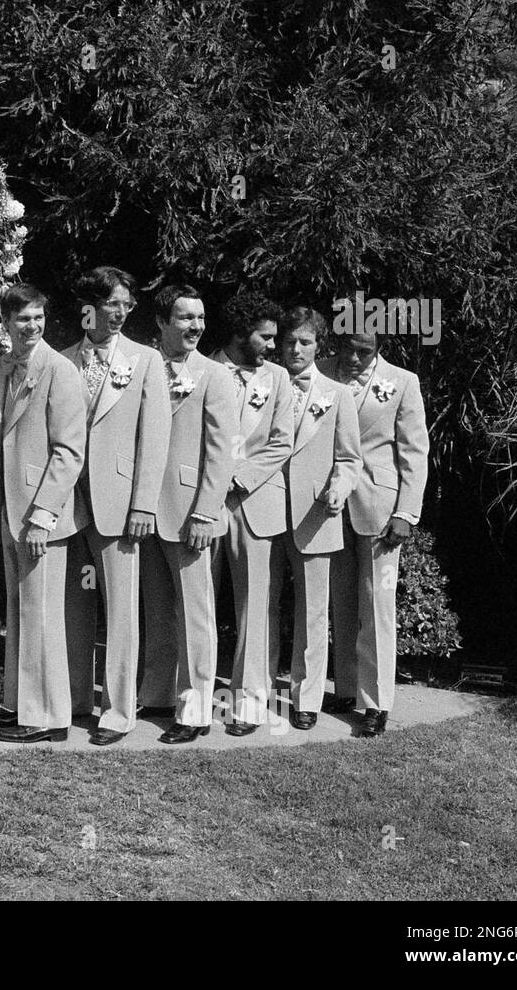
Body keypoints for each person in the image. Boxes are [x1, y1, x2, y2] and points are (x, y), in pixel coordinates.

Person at [60, 267, 170, 746]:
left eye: (127, 304)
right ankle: (74, 699)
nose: (121, 313)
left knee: (122, 609)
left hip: (120, 503)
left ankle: (118, 712)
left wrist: (143, 503)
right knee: (74, 604)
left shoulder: (145, 360)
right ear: (89, 307)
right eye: (112, 304)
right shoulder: (62, 360)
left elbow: (156, 437)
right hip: (69, 502)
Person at [0, 283, 87, 744]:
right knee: (21, 608)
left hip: (42, 515)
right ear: (6, 323)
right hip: (8, 505)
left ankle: (49, 718)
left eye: (38, 318)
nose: (32, 326)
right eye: (23, 319)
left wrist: (44, 515)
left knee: (42, 613)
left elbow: (69, 452)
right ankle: (24, 704)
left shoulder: (59, 370)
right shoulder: (3, 368)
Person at [137, 284, 236, 744]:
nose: (195, 326)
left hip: (188, 510)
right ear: (161, 322)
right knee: (156, 608)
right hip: (140, 508)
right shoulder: (141, 364)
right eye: (184, 318)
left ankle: (195, 710)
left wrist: (205, 513)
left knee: (195, 612)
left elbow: (220, 454)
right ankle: (156, 693)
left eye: (200, 317)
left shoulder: (215, 376)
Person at [318, 329, 428, 737]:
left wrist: (406, 512)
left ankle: (377, 702)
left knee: (377, 604)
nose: (353, 358)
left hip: (379, 509)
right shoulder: (319, 372)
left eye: (364, 352)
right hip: (327, 504)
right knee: (340, 599)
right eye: (347, 348)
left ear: (379, 349)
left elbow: (415, 453)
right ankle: (346, 688)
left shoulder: (402, 382)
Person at [268, 307, 361, 729]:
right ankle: (255, 690)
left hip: (315, 514)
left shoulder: (337, 394)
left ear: (318, 346)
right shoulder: (262, 384)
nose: (296, 349)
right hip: (263, 509)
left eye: (305, 342)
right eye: (289, 341)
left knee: (312, 610)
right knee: (261, 604)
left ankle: (306, 699)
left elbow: (349, 457)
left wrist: (338, 490)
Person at [208, 292, 294, 735]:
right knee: (199, 602)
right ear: (241, 333)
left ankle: (250, 703)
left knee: (254, 605)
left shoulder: (278, 379)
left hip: (254, 500)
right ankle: (193, 696)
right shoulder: (203, 370)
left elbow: (282, 441)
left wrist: (238, 477)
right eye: (265, 337)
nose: (273, 346)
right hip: (203, 503)